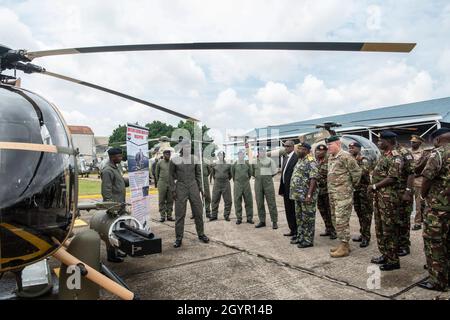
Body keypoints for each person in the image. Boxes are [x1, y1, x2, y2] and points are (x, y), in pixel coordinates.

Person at [418, 128, 450, 291]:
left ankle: (437, 281)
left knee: (434, 243)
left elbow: (427, 179)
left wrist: (423, 196)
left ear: (437, 140)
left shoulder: (437, 154)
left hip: (438, 209)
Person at [369, 131, 402, 271]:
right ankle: (385, 254)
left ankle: (393, 260)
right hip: (380, 197)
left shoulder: (396, 157)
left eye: (380, 140)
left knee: (389, 229)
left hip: (388, 199)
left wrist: (375, 186)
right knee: (380, 228)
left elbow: (392, 178)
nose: (378, 143)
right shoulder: (384, 155)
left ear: (388, 141)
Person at [169, 139, 209, 248]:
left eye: (188, 146)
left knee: (198, 212)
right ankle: (178, 238)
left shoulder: (194, 159)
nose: (187, 148)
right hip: (180, 187)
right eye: (185, 146)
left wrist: (201, 189)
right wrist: (173, 190)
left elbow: (198, 175)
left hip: (193, 186)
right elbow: (171, 176)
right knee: (179, 214)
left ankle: (201, 234)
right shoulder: (174, 160)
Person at [326, 136, 362, 258]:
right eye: (327, 145)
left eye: (330, 144)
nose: (328, 147)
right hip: (333, 194)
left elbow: (356, 173)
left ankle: (344, 246)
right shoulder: (331, 157)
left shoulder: (346, 156)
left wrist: (349, 187)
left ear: (338, 144)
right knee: (335, 219)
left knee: (342, 220)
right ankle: (343, 244)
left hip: (343, 195)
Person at [101, 147, 129, 262]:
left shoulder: (116, 168)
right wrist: (111, 207)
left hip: (120, 203)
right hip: (114, 206)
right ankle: (111, 255)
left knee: (118, 229)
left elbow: (119, 182)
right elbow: (106, 191)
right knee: (111, 230)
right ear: (112, 157)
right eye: (119, 156)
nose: (121, 158)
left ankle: (116, 250)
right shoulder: (107, 170)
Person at [289, 143, 318, 248]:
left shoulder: (311, 161)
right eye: (299, 148)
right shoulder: (300, 160)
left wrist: (309, 195)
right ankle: (301, 237)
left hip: (306, 196)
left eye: (302, 149)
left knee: (308, 219)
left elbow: (313, 178)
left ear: (307, 150)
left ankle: (308, 240)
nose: (299, 150)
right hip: (298, 195)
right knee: (299, 218)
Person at [348, 142, 373, 248]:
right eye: (349, 148)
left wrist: (351, 168)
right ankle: (362, 234)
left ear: (358, 149)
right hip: (356, 191)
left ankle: (366, 237)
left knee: (366, 215)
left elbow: (362, 172)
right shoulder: (350, 160)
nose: (350, 149)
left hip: (364, 191)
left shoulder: (364, 160)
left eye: (353, 148)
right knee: (359, 213)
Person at [395, 139, 415, 257]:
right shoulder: (389, 153)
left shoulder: (404, 153)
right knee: (395, 220)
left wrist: (408, 191)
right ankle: (397, 243)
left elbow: (411, 173)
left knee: (403, 220)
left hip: (403, 191)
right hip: (394, 193)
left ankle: (404, 246)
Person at [253, 147, 279, 229]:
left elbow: (274, 172)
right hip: (258, 184)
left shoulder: (270, 161)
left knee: (271, 203)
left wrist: (266, 177)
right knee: (259, 203)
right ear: (258, 152)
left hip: (268, 184)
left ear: (265, 152)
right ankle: (262, 221)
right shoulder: (254, 162)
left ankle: (274, 222)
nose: (261, 153)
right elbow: (252, 172)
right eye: (260, 151)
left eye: (263, 151)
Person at [315, 144, 337, 240]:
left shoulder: (329, 161)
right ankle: (328, 228)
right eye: (317, 151)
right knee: (322, 211)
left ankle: (334, 231)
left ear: (325, 152)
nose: (318, 152)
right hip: (319, 191)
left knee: (330, 212)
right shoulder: (316, 162)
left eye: (320, 151)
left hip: (327, 191)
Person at [278, 140, 299, 239]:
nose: (285, 148)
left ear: (292, 147)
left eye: (287, 146)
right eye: (284, 146)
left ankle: (297, 231)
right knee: (288, 210)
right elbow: (283, 174)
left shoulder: (296, 157)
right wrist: (281, 189)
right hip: (286, 189)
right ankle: (292, 229)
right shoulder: (285, 158)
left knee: (294, 210)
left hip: (293, 189)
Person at [232, 150, 254, 224]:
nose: (241, 156)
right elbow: (232, 174)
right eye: (239, 155)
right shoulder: (234, 164)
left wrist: (246, 179)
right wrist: (237, 180)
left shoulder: (247, 164)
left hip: (246, 184)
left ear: (244, 156)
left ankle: (249, 218)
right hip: (237, 184)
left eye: (242, 155)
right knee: (237, 201)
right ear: (238, 156)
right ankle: (239, 218)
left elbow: (250, 173)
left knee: (248, 201)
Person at [210, 151, 232, 221]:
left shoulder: (228, 165)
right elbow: (213, 174)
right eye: (219, 155)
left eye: (222, 155)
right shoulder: (215, 165)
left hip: (225, 183)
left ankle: (226, 215)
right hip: (217, 183)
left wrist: (225, 178)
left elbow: (230, 174)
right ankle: (214, 215)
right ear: (218, 156)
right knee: (214, 199)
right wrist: (217, 178)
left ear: (224, 156)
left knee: (228, 200)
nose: (220, 156)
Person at [410, 135, 426, 231]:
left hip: (418, 181)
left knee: (419, 203)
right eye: (411, 142)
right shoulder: (408, 152)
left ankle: (418, 222)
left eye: (414, 142)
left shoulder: (423, 153)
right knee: (408, 202)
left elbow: (425, 168)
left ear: (419, 143)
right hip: (408, 182)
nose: (412, 143)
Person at [155, 149, 174, 222]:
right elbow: (156, 174)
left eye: (169, 154)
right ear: (163, 155)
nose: (168, 156)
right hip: (162, 183)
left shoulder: (172, 163)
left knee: (170, 200)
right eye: (166, 154)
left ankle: (169, 215)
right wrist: (159, 182)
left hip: (170, 183)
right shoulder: (159, 163)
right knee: (161, 200)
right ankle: (162, 216)